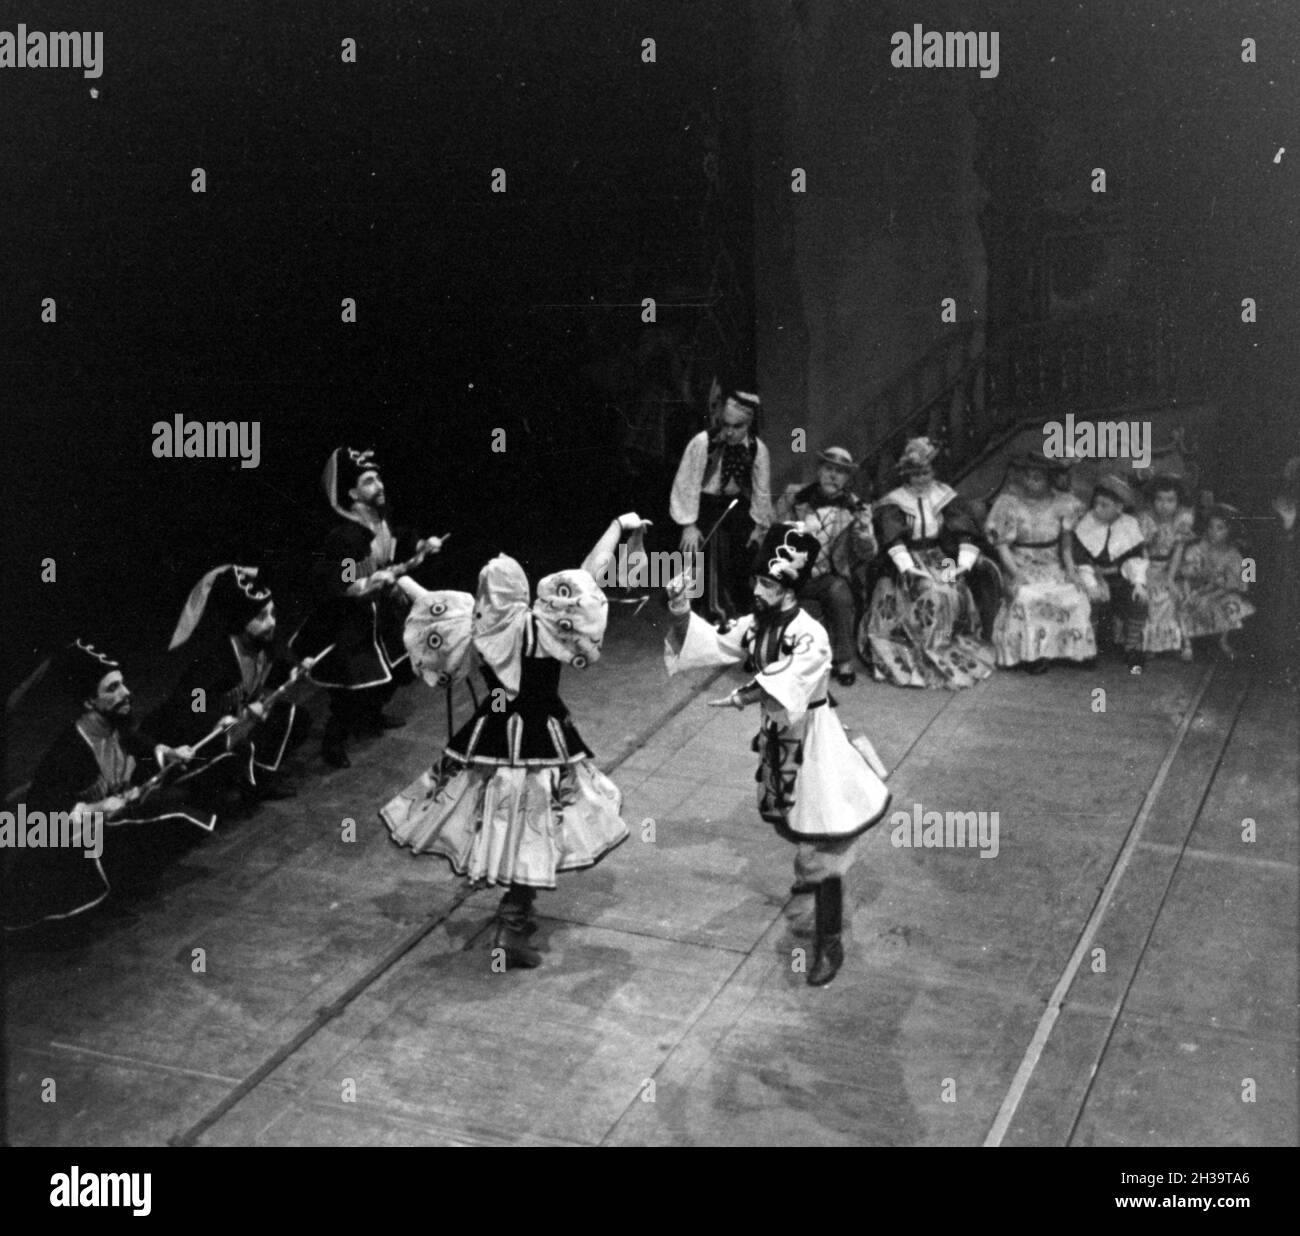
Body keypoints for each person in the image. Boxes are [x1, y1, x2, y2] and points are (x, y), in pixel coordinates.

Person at [379, 515, 645, 969]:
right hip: (541, 733)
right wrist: (619, 527)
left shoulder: (476, 630)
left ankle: (514, 913)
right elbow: (590, 572)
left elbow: (432, 604)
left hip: (493, 730)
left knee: (501, 818)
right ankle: (513, 919)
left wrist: (400, 578)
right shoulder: (543, 626)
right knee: (536, 824)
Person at [663, 522, 892, 987]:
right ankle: (811, 884)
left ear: (789, 589)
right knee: (798, 823)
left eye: (768, 584)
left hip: (814, 739)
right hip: (782, 738)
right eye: (758, 581)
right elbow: (713, 643)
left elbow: (793, 677)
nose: (758, 590)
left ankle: (828, 940)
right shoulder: (755, 624)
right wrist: (680, 607)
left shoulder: (811, 634)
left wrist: (743, 697)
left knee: (824, 836)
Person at [2, 641, 209, 932]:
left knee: (167, 820)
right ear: (89, 702)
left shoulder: (113, 727)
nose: (126, 693)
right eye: (112, 689)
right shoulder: (68, 753)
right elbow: (41, 821)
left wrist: (166, 751)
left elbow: (137, 742)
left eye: (123, 684)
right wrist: (99, 807)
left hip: (97, 833)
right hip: (61, 848)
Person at [290, 447, 445, 768]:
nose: (379, 485)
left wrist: (421, 545)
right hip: (352, 619)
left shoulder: (380, 518)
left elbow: (397, 539)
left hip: (381, 611)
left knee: (398, 670)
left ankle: (372, 717)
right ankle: (333, 742)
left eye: (378, 479)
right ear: (352, 493)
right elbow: (345, 584)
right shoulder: (344, 537)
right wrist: (376, 580)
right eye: (369, 481)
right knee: (352, 686)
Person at [151, 565, 313, 808]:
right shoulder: (213, 662)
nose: (271, 623)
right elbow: (190, 708)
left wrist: (298, 667)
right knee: (238, 751)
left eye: (272, 614)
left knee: (295, 718)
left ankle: (258, 781)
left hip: (237, 725)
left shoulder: (263, 644)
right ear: (239, 621)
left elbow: (273, 671)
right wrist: (219, 720)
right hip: (198, 739)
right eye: (260, 617)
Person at [860, 436, 995, 689]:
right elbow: (893, 540)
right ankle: (920, 655)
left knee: (953, 589)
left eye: (926, 473)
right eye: (916, 474)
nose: (921, 479)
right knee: (930, 594)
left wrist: (961, 565)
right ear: (907, 475)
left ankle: (947, 650)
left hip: (938, 556)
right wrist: (909, 570)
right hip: (904, 562)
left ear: (933, 471)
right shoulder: (895, 501)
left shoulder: (944, 495)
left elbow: (963, 531)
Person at [772, 445, 877, 685]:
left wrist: (863, 531)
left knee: (839, 591)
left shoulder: (856, 507)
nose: (833, 476)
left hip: (827, 577)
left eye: (840, 472)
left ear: (847, 478)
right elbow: (771, 531)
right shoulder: (794, 497)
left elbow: (868, 554)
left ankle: (843, 660)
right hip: (791, 574)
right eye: (829, 468)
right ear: (819, 471)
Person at [984, 450, 1095, 673]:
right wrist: (1016, 573)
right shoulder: (1009, 503)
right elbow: (1001, 545)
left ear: (1049, 479)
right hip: (1021, 566)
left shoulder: (1064, 503)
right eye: (1027, 476)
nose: (1031, 482)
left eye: (1037, 478)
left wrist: (1071, 571)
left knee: (1075, 596)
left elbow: (1066, 545)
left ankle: (1071, 650)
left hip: (1053, 567)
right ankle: (1033, 654)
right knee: (1028, 597)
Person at [669, 388, 772, 624]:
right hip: (703, 508)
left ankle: (741, 615)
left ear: (748, 425)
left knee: (746, 550)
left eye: (737, 427)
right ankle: (713, 614)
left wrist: (759, 526)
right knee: (709, 548)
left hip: (736, 508)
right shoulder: (704, 442)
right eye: (726, 425)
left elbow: (761, 491)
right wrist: (688, 525)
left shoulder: (757, 449)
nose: (730, 432)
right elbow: (686, 483)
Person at [1070, 475, 1149, 674]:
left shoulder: (1129, 525)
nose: (1098, 509)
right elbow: (1081, 560)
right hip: (1094, 577)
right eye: (1096, 504)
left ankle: (1132, 648)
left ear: (1119, 508)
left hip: (1120, 578)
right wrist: (1091, 584)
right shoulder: (1087, 524)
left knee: (1138, 600)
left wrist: (1138, 583)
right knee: (1091, 602)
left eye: (1105, 505)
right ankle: (1089, 649)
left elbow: (1135, 557)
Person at [1177, 504, 1256, 661]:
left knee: (1231, 603)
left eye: (1220, 528)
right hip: (1195, 590)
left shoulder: (1234, 554)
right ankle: (1187, 644)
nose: (1214, 532)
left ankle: (1222, 640)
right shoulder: (1197, 549)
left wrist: (1217, 590)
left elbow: (1240, 584)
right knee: (1184, 604)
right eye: (1211, 527)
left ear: (1229, 531)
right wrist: (1192, 590)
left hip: (1219, 594)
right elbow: (1187, 575)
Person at [1135, 476, 1196, 659]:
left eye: (1170, 500)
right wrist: (1148, 574)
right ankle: (1151, 642)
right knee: (1153, 595)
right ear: (1152, 501)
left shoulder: (1181, 522)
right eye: (1159, 499)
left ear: (1178, 502)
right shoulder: (1147, 520)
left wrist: (1169, 578)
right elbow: (1143, 549)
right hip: (1149, 565)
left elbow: (1178, 551)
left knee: (1175, 593)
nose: (1164, 505)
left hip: (1171, 567)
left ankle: (1183, 642)